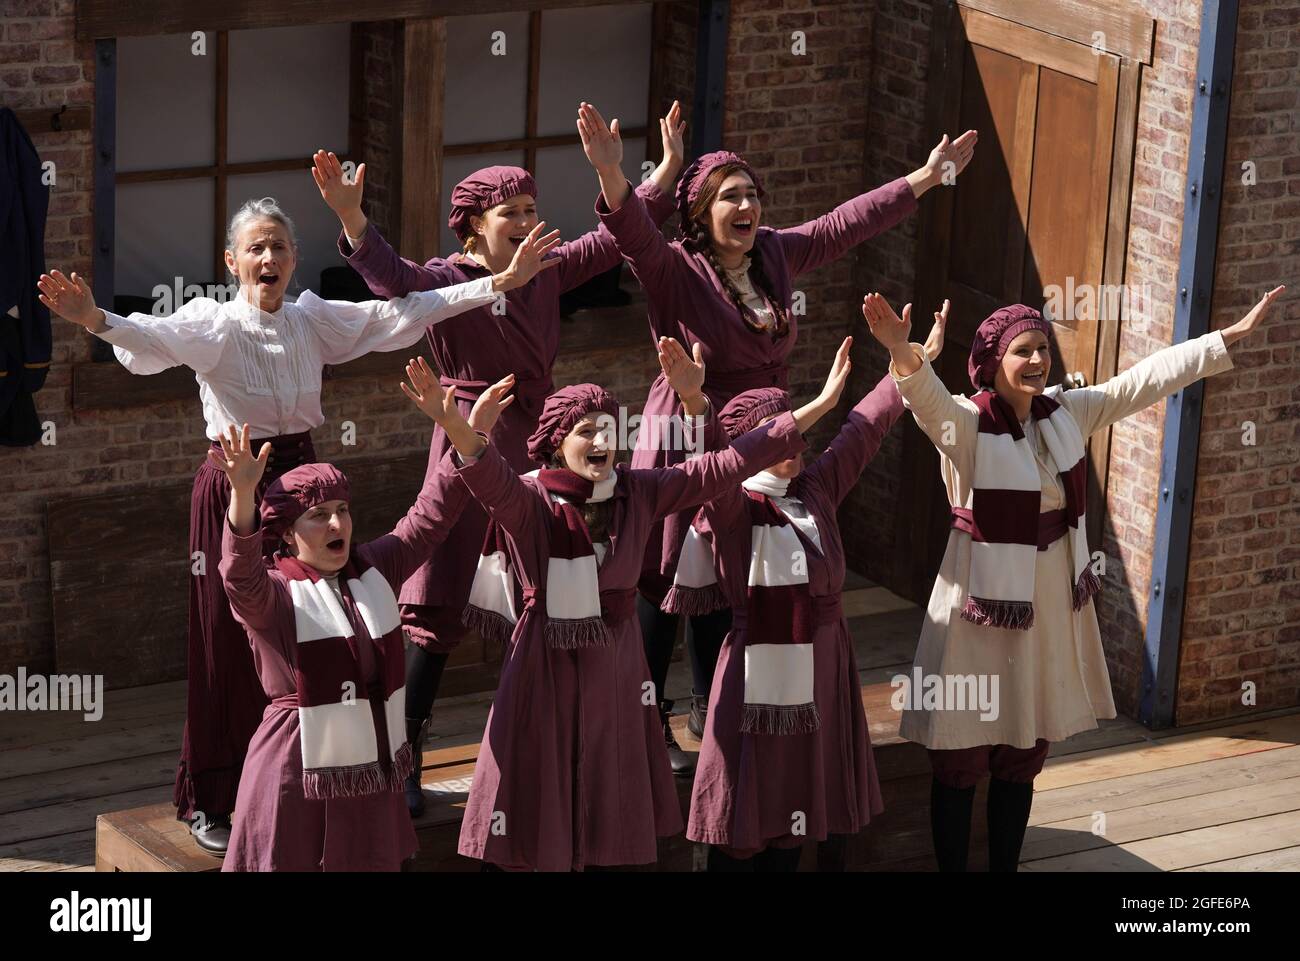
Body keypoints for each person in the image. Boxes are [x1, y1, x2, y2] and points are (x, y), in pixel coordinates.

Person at [36, 196, 557, 854]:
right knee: (231, 642)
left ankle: (330, 772)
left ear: (294, 259)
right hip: (236, 483)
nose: (268, 258)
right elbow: (151, 340)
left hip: (306, 481)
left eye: (279, 246)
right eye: (255, 247)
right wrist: (94, 318)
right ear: (231, 261)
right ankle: (217, 794)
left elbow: (398, 313)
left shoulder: (312, 318)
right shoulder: (214, 324)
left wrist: (495, 285)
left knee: (321, 637)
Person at [312, 103, 688, 811]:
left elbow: (615, 239)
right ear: (474, 222)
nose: (524, 218)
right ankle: (408, 751)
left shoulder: (545, 267)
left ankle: (562, 740)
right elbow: (390, 277)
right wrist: (353, 219)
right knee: (439, 600)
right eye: (509, 209)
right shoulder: (445, 280)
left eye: (529, 206)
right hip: (465, 436)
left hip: (540, 445)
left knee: (551, 592)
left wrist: (658, 168)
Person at [581, 99, 977, 767]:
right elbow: (633, 236)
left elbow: (842, 224)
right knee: (669, 572)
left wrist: (927, 176)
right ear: (702, 212)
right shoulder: (677, 268)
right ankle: (638, 722)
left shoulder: (772, 255)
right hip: (693, 424)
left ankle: (714, 712)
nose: (748, 205)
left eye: (752, 195)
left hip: (765, 431)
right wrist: (610, 173)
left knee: (730, 573)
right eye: (730, 196)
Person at [865, 284, 1287, 871]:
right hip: (981, 609)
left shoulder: (1067, 413)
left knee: (1023, 743)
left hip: (1044, 606)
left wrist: (1224, 340)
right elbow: (925, 399)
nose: (1038, 360)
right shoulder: (965, 425)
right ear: (993, 364)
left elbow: (1142, 382)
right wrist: (901, 352)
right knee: (961, 746)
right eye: (1023, 351)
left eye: (1043, 348)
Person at [405, 332, 853, 870]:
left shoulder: (638, 491)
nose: (600, 439)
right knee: (541, 807)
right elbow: (483, 471)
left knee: (607, 809)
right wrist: (457, 425)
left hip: (617, 670)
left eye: (607, 428)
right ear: (555, 443)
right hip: (543, 670)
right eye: (585, 430)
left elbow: (724, 466)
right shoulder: (531, 501)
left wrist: (801, 406)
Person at [674, 303, 946, 872]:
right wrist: (698, 404)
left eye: (799, 435)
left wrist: (905, 358)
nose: (799, 447)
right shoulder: (733, 506)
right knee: (751, 809)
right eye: (785, 437)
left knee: (798, 809)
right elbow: (716, 465)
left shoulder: (815, 488)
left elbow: (864, 427)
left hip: (824, 666)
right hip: (758, 675)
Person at [212, 348, 498, 870]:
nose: (337, 525)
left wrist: (458, 432)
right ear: (287, 534)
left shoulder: (373, 567)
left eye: (342, 510)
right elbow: (238, 577)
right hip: (298, 768)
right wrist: (243, 499)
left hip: (371, 760)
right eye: (318, 516)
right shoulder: (273, 593)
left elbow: (429, 518)